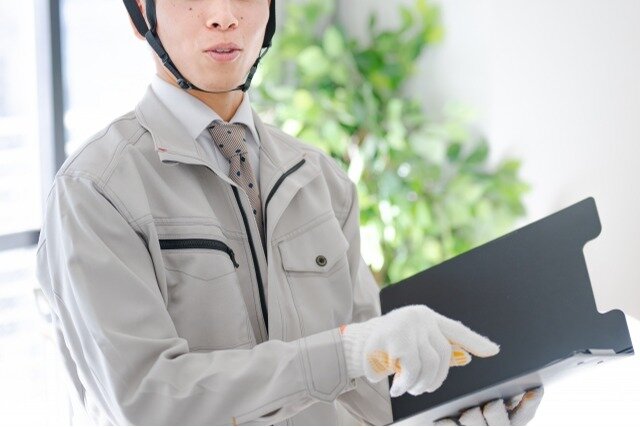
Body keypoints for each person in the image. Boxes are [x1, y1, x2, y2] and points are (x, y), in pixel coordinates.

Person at [35, 0, 543, 425]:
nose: (224, 15)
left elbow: (368, 407)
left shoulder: (321, 180)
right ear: (138, 14)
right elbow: (148, 402)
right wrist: (346, 353)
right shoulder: (96, 190)